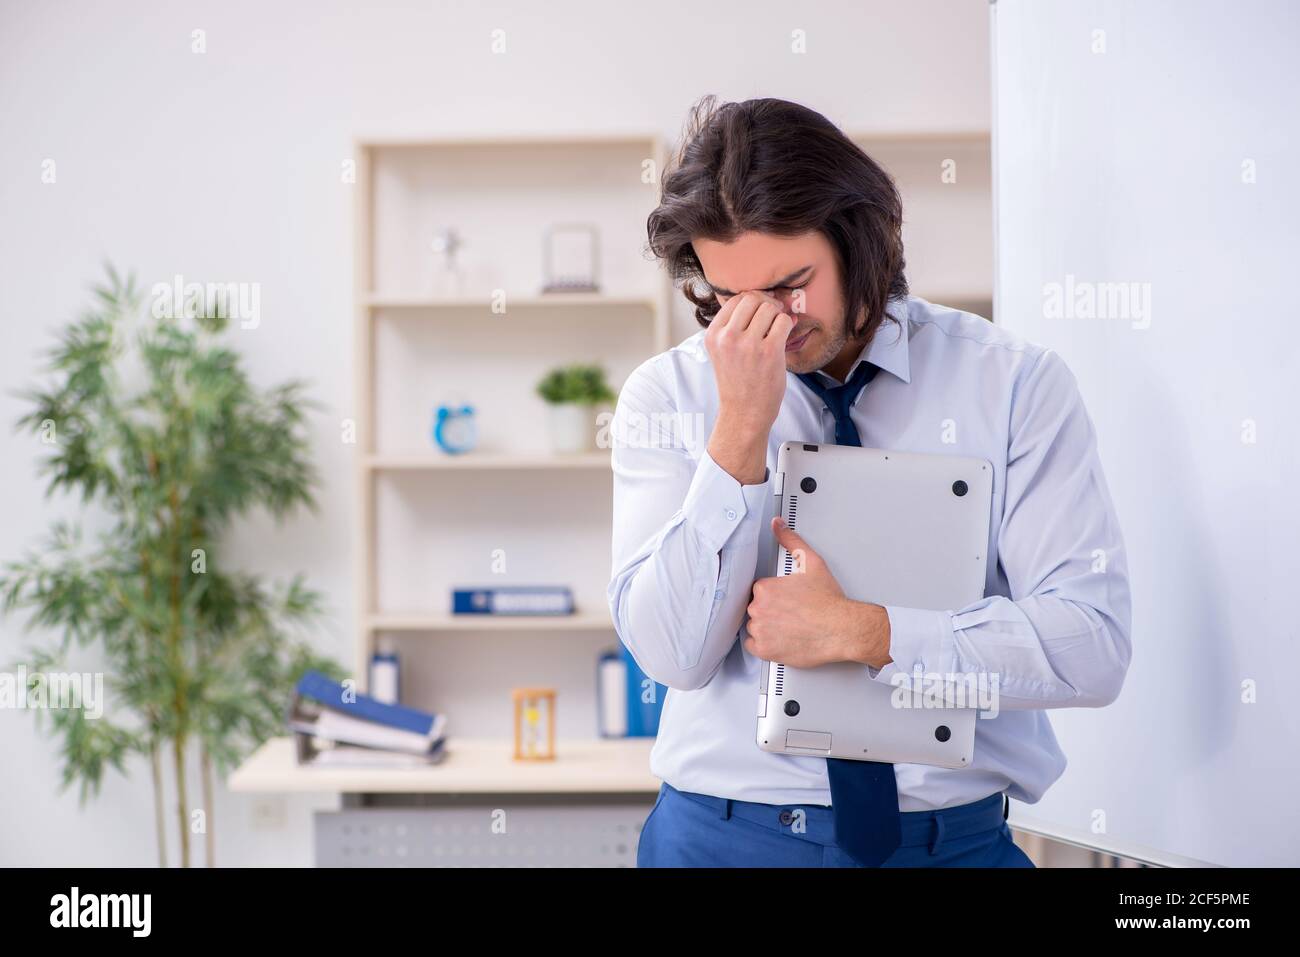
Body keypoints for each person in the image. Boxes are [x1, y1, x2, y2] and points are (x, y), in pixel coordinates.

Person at [607, 96, 1132, 868]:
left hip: (951, 846)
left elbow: (1093, 644)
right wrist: (739, 436)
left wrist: (867, 632)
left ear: (860, 237)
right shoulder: (667, 397)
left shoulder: (1014, 384)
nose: (769, 325)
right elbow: (674, 656)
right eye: (730, 297)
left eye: (791, 285)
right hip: (723, 841)